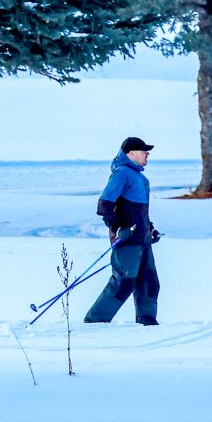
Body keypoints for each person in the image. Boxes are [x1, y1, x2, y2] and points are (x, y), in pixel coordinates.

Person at [83, 135, 159, 326]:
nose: (147, 154)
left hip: (142, 240)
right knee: (124, 282)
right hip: (127, 240)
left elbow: (139, 212)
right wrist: (117, 229)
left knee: (149, 282)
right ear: (131, 153)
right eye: (144, 151)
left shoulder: (140, 178)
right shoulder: (122, 173)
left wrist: (149, 230)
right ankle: (95, 321)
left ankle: (147, 321)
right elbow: (104, 205)